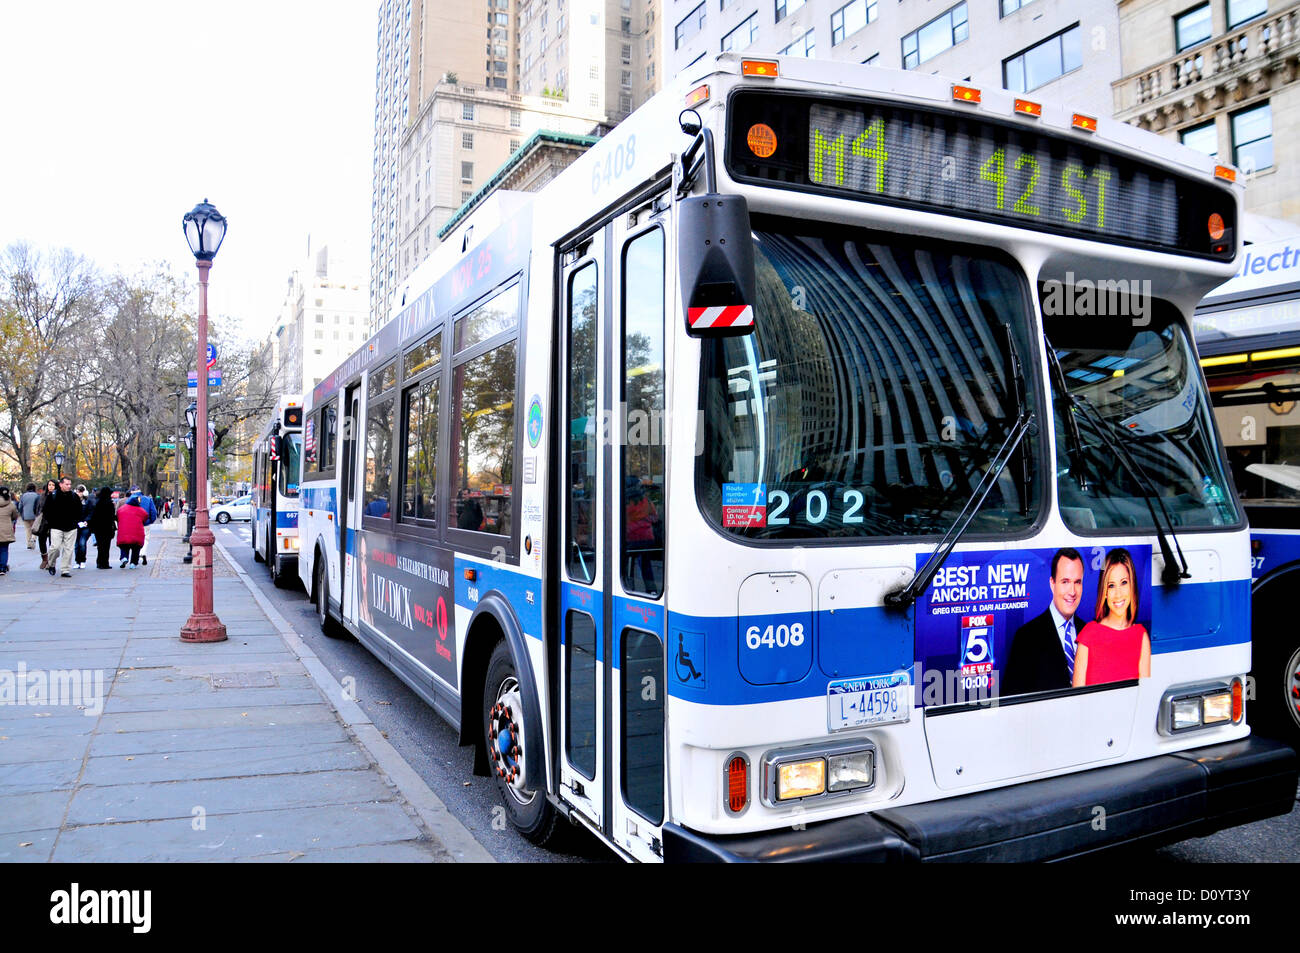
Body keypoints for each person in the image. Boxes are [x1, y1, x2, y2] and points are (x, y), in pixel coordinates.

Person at [1001, 547, 1084, 697]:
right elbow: (1012, 699)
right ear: (1052, 584)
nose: (1072, 592)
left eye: (1077, 582)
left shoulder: (1088, 631)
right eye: (1065, 582)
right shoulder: (1026, 637)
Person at [1073, 548, 1151, 687]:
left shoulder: (1141, 636)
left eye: (1124, 582)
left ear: (1132, 585)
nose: (1118, 594)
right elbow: (1077, 695)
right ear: (1104, 592)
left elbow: (1145, 691)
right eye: (1111, 586)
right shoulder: (1088, 634)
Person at [44, 476, 83, 578]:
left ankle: (65, 569)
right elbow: (46, 510)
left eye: (70, 484)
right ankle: (51, 563)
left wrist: (77, 521)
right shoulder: (53, 496)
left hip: (71, 527)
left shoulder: (74, 496)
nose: (69, 486)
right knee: (55, 547)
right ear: (61, 484)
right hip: (56, 526)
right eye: (66, 484)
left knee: (68, 549)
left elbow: (79, 510)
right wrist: (50, 522)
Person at [115, 494, 147, 568]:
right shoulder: (141, 510)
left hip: (124, 532)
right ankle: (133, 563)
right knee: (136, 548)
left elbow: (117, 515)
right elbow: (145, 517)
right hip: (137, 533)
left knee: (124, 546)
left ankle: (124, 557)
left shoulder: (122, 509)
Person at [127, 486, 156, 565]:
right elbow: (153, 511)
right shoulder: (148, 499)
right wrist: (150, 520)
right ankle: (142, 552)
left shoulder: (130, 500)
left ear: (132, 492)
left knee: (135, 540)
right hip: (145, 523)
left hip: (134, 523)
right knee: (146, 538)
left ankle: (134, 556)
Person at [89, 487, 117, 569]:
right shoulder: (109, 504)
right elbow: (112, 516)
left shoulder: (97, 502)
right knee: (106, 546)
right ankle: (105, 563)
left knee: (100, 546)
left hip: (98, 528)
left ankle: (99, 562)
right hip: (107, 527)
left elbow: (94, 516)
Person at [34, 479, 57, 569]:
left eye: (53, 485)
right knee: (41, 540)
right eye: (49, 485)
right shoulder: (42, 496)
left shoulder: (58, 496)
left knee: (53, 543)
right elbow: (37, 508)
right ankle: (44, 558)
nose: (51, 487)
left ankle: (51, 561)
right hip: (43, 521)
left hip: (54, 522)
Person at [74, 484, 93, 569]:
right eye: (78, 492)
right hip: (76, 525)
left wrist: (86, 521)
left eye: (80, 492)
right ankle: (77, 561)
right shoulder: (73, 501)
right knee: (76, 544)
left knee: (82, 543)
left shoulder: (88, 502)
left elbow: (91, 512)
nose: (79, 493)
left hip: (85, 525)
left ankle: (82, 560)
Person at [0, 487, 17, 575]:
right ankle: (2, 568)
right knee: (4, 549)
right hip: (6, 529)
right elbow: (15, 516)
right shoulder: (11, 505)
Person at [19, 483, 39, 549]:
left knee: (28, 530)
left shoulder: (23, 496)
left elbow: (20, 506)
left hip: (26, 515)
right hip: (35, 516)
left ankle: (29, 544)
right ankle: (33, 539)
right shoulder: (37, 495)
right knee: (35, 529)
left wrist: (22, 514)